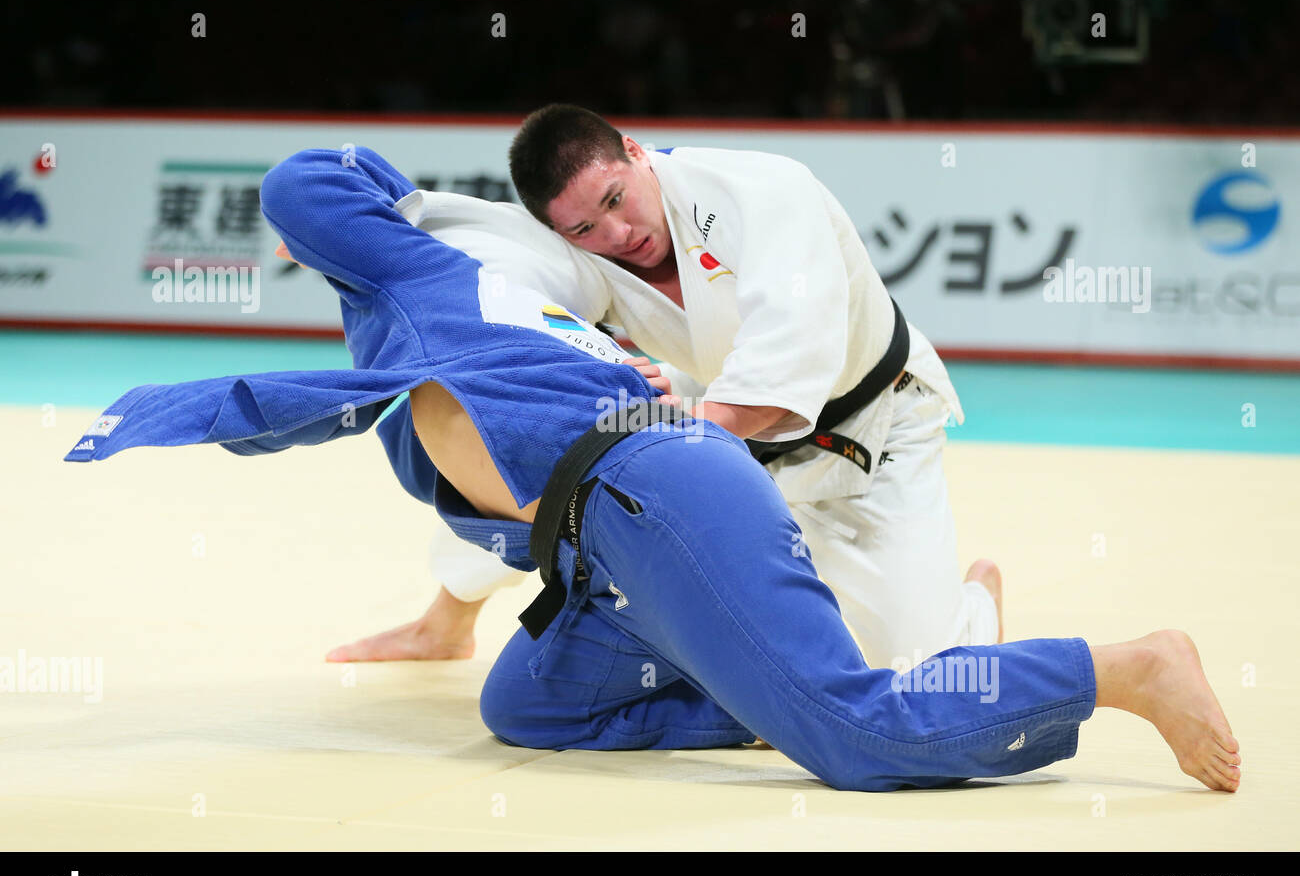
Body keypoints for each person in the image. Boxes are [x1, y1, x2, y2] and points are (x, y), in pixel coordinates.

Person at [66, 146, 1241, 793]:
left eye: (618, 199)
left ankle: (1124, 665)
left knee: (859, 728)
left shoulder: (416, 276)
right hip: (603, 533)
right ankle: (764, 687)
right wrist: (439, 616)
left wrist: (394, 197)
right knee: (529, 704)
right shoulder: (449, 313)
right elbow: (483, 496)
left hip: (670, 479)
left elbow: (302, 182)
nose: (611, 229)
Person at [333, 104, 997, 670]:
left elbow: (778, 378)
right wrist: (346, 250)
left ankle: (974, 607)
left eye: (616, 200)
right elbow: (470, 254)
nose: (617, 235)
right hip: (713, 400)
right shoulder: (577, 242)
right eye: (584, 229)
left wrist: (684, 421)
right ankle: (444, 624)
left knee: (924, 673)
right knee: (552, 454)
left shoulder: (764, 193)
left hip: (867, 424)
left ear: (633, 151)